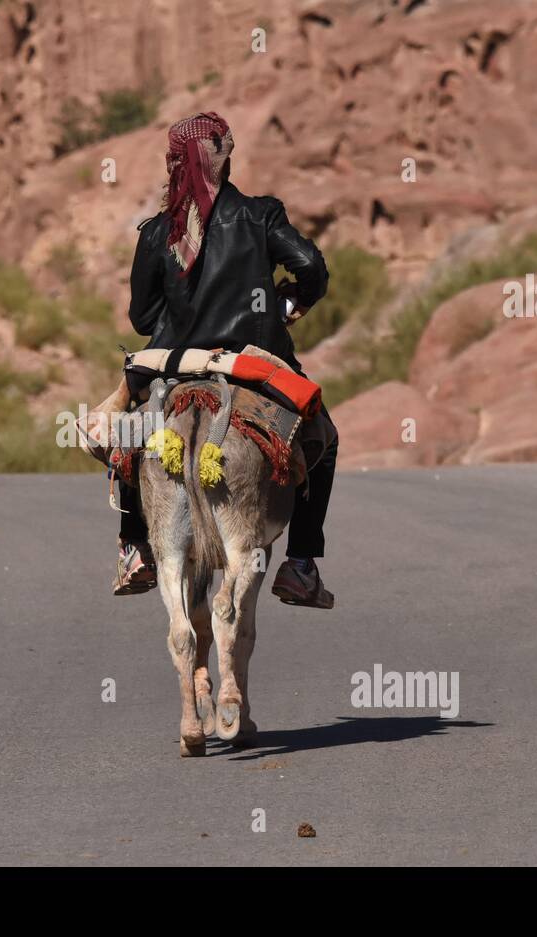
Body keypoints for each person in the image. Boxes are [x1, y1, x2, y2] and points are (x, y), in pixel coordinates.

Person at [114, 111, 339, 609]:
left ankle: (136, 548)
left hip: (175, 365)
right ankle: (301, 564)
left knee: (128, 437)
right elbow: (310, 267)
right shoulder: (260, 215)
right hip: (253, 363)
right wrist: (287, 304)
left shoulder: (156, 233)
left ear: (177, 165)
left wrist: (180, 320)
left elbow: (140, 315)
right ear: (221, 159)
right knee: (323, 434)